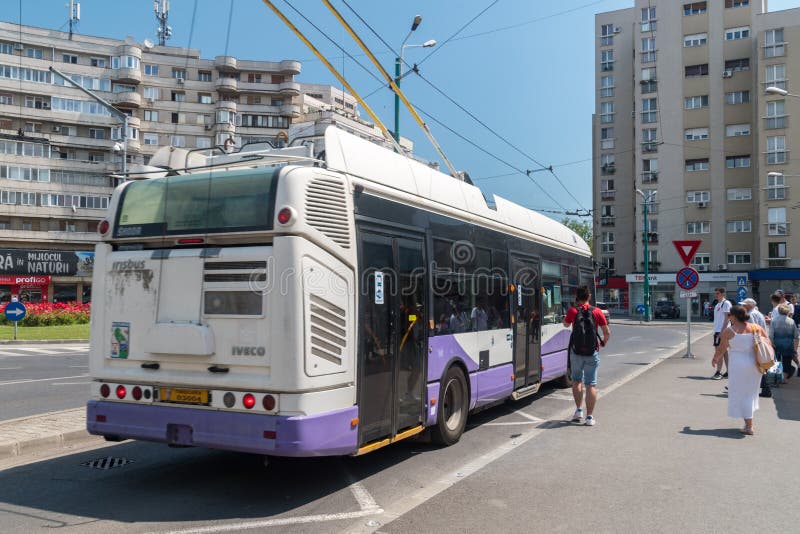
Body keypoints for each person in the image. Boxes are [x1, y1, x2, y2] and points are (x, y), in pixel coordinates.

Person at [712, 305, 765, 435]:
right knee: (750, 393)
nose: (729, 317)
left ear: (734, 317)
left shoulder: (729, 331)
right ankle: (748, 423)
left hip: (738, 364)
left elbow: (722, 348)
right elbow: (767, 342)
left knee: (741, 394)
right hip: (755, 363)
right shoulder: (756, 328)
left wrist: (715, 358)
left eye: (729, 315)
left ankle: (749, 426)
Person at [562, 286, 610, 427]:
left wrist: (573, 307)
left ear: (576, 296)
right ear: (589, 296)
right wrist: (603, 343)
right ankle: (589, 417)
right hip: (591, 352)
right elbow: (607, 332)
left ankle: (579, 411)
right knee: (591, 384)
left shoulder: (572, 311)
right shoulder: (597, 311)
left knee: (576, 381)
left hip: (576, 352)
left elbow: (565, 325)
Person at [743, 298, 771, 398]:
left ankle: (761, 388)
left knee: (754, 366)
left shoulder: (751, 314)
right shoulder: (758, 313)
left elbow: (751, 330)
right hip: (761, 341)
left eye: (744, 305)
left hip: (755, 343)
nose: (743, 306)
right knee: (761, 366)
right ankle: (765, 388)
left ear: (750, 305)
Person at [769, 303, 798, 382]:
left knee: (777, 361)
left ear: (778, 311)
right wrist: (795, 348)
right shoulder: (791, 321)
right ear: (788, 311)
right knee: (787, 362)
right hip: (788, 345)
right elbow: (796, 335)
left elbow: (771, 334)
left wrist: (771, 343)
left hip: (776, 344)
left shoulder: (774, 320)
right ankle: (784, 378)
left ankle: (776, 377)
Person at [712, 288, 731, 380]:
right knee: (724, 352)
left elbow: (727, 318)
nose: (716, 295)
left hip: (721, 331)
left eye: (718, 293)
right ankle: (729, 372)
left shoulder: (726, 303)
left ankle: (718, 372)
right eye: (715, 293)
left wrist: (722, 331)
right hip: (718, 330)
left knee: (719, 351)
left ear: (723, 294)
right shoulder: (717, 304)